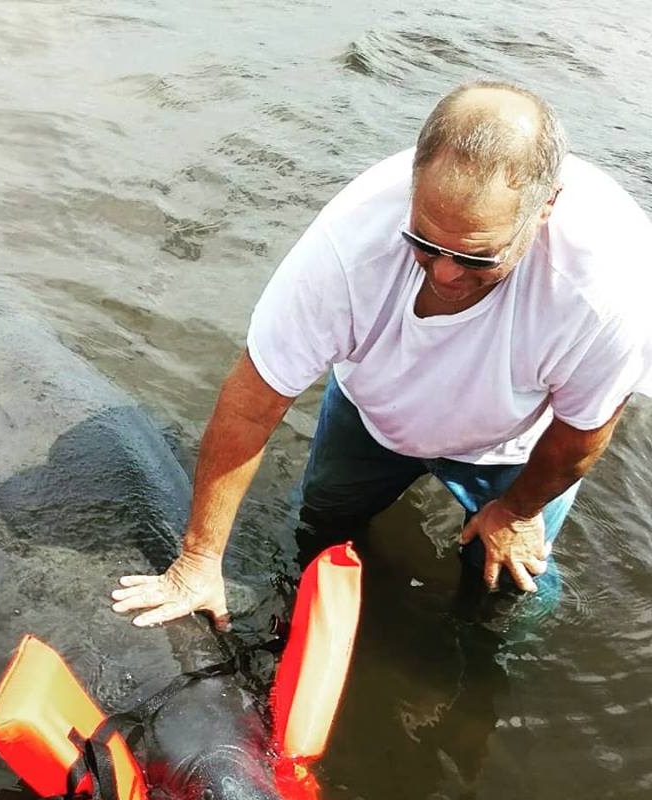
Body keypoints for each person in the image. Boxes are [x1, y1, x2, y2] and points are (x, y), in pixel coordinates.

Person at [111, 80, 652, 630]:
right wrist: (199, 561)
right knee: (320, 520)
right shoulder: (346, 247)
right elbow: (251, 404)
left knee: (509, 591)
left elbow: (583, 431)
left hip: (514, 444)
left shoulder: (606, 291)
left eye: (477, 257)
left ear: (546, 208)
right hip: (371, 409)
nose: (446, 274)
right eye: (426, 242)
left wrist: (516, 510)